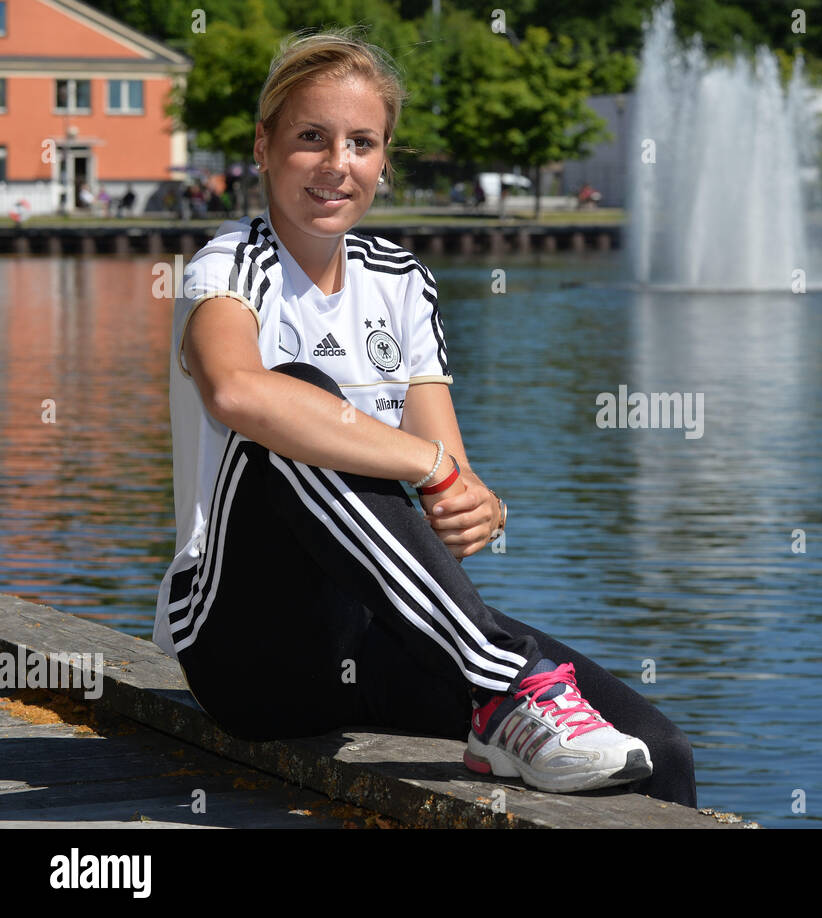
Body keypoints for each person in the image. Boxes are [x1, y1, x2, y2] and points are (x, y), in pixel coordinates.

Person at [153, 28, 695, 805]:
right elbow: (237, 393)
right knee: (298, 396)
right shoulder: (231, 264)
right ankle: (507, 682)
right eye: (312, 138)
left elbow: (449, 482)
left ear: (383, 160)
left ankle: (505, 701)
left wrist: (479, 503)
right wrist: (427, 467)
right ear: (264, 147)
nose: (337, 163)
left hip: (381, 633)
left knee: (655, 750)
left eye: (361, 143)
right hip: (248, 648)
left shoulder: (402, 281)